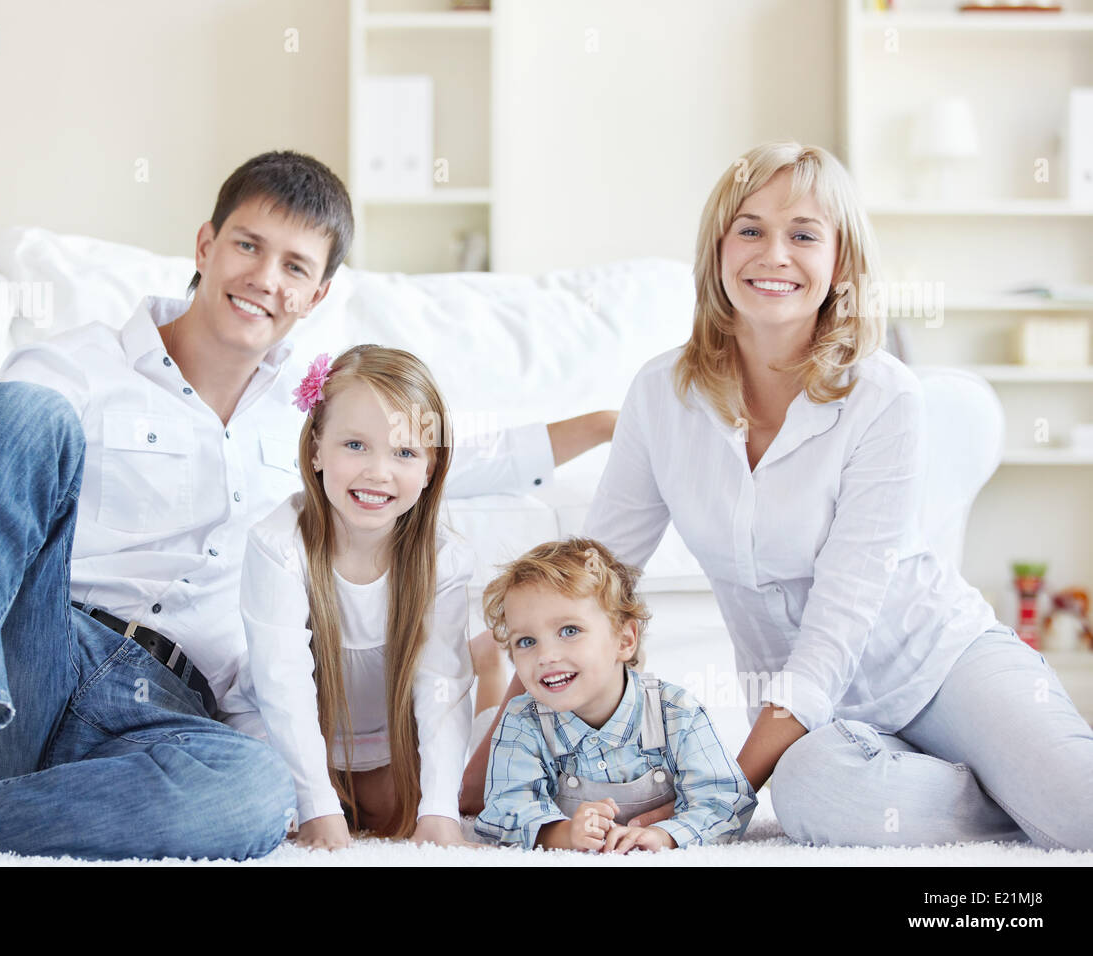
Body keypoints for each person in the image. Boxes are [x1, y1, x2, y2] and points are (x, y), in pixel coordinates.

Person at [0, 151, 616, 865]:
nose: (265, 278)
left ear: (319, 293)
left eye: (295, 266)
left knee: (255, 799)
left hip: (176, 713)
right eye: (248, 246)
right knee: (20, 410)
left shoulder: (322, 422)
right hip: (42, 654)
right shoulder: (82, 365)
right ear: (204, 245)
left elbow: (437, 458)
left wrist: (612, 423)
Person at [577, 142, 1093, 849]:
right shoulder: (661, 396)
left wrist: (709, 807)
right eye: (750, 229)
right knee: (811, 795)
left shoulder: (885, 398)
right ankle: (1000, 798)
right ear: (718, 249)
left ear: (841, 262)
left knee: (1080, 812)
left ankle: (1023, 781)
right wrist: (493, 735)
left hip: (940, 665)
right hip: (818, 722)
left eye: (804, 234)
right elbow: (587, 581)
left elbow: (837, 627)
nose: (773, 254)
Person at [227, 345, 476, 849]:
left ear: (430, 469)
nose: (378, 472)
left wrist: (441, 809)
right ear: (316, 449)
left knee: (415, 811)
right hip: (275, 729)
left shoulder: (442, 560)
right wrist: (316, 804)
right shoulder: (279, 545)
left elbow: (439, 685)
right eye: (355, 445)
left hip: (381, 741)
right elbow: (284, 683)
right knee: (270, 807)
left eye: (405, 452)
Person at [472, 538, 755, 852]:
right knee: (482, 728)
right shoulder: (521, 721)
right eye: (526, 641)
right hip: (495, 733)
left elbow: (726, 799)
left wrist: (667, 835)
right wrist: (563, 833)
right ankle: (489, 666)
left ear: (625, 639)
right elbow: (503, 810)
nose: (546, 656)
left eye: (569, 630)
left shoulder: (677, 712)